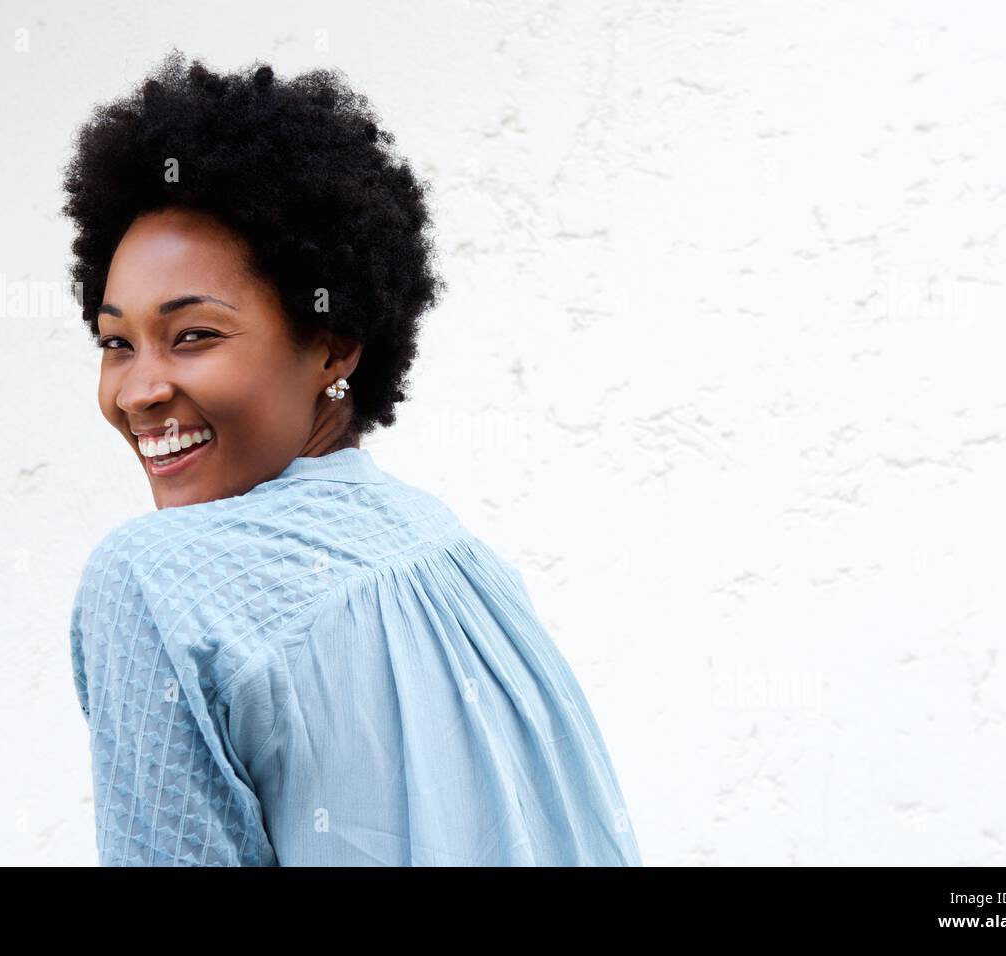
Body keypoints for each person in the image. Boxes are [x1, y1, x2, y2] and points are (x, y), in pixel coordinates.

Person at [63, 50, 642, 866]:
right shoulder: (454, 555)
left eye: (193, 335)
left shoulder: (155, 579)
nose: (139, 390)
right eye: (117, 343)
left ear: (333, 346)